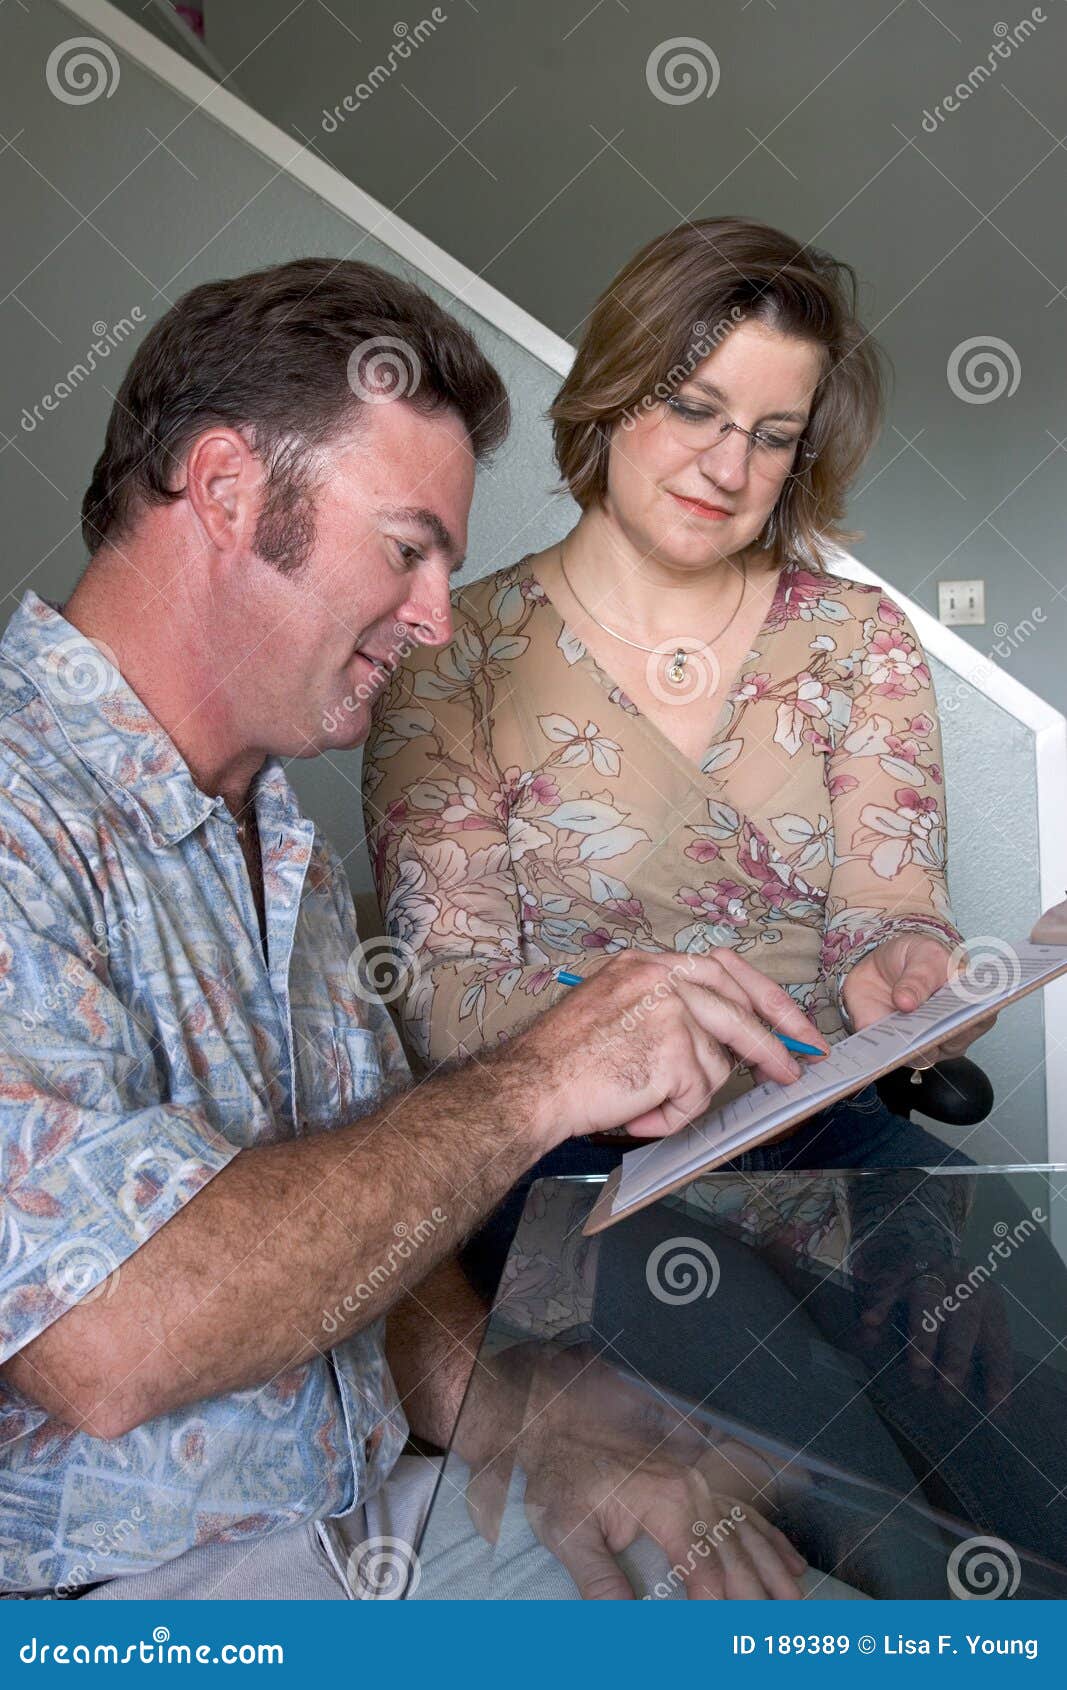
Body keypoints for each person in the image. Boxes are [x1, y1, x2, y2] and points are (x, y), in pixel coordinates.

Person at [0, 257, 825, 1602]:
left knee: (794, 1601)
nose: (434, 615)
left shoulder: (278, 845)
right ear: (223, 491)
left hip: (367, 1509)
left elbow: (372, 1250)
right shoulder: (19, 808)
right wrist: (541, 1080)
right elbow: (105, 1340)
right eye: (404, 549)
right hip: (127, 1593)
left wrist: (529, 1421)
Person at [362, 217, 996, 1271]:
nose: (725, 464)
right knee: (743, 1407)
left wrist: (906, 971)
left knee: (992, 1378)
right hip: (566, 1171)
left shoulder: (854, 639)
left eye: (771, 433)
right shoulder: (448, 654)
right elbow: (444, 997)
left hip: (819, 1142)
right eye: (692, 407)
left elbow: (886, 916)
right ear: (610, 397)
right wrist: (649, 1010)